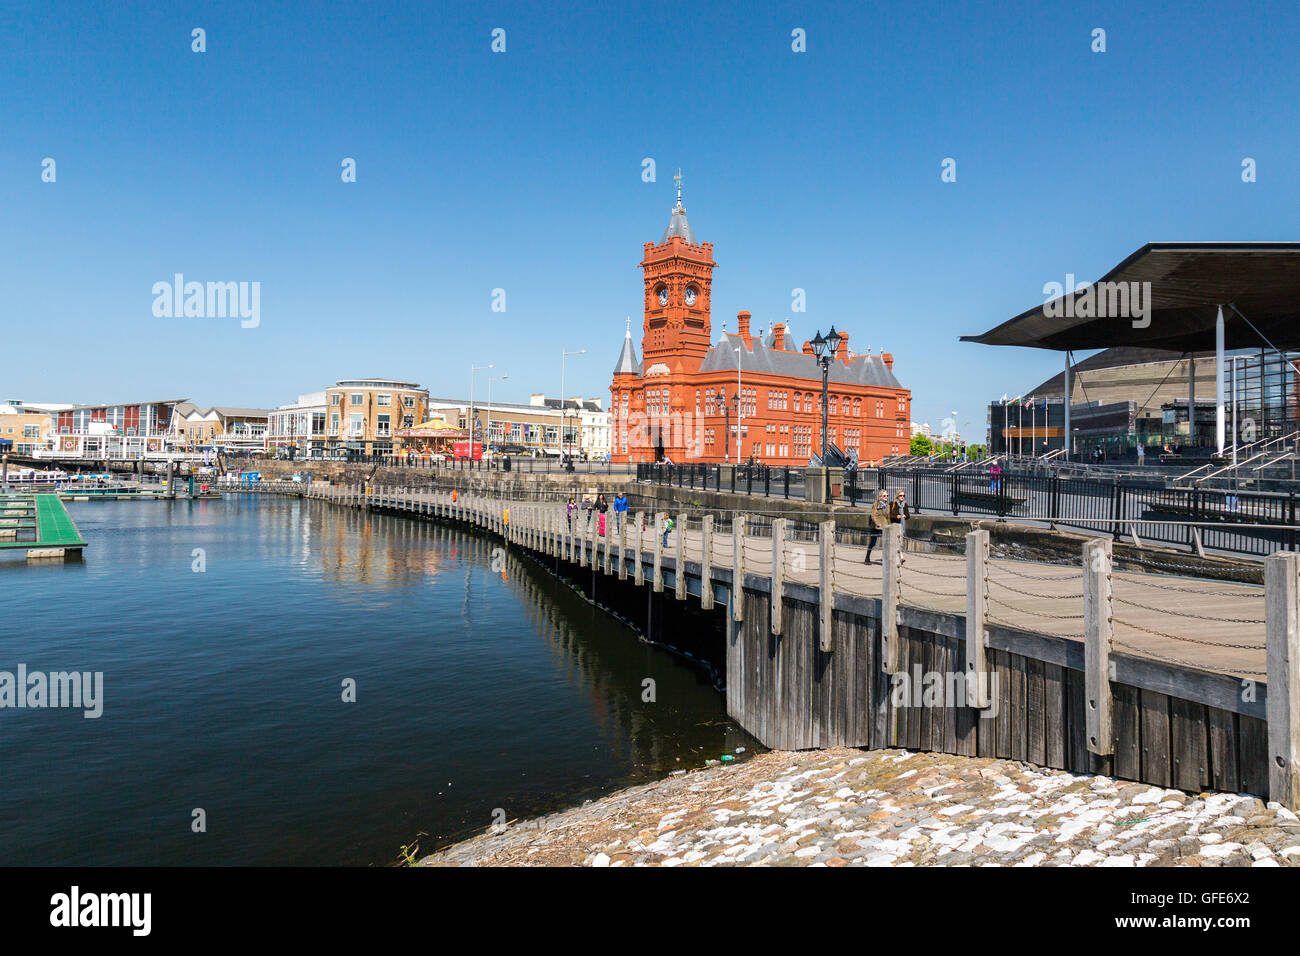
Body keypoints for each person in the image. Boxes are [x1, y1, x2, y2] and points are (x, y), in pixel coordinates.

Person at [864, 489, 889, 564]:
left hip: (884, 526)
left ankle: (886, 559)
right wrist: (877, 523)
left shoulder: (887, 506)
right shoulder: (876, 504)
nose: (886, 497)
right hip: (875, 526)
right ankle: (867, 557)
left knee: (886, 542)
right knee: (872, 542)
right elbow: (873, 515)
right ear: (880, 497)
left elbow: (888, 517)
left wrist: (890, 525)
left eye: (887, 496)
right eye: (884, 496)